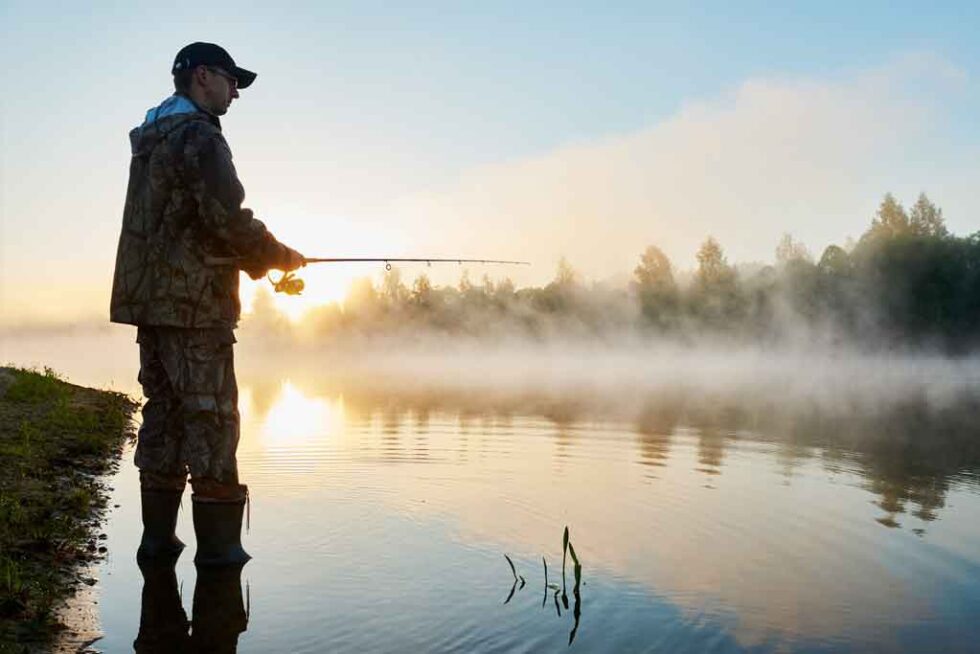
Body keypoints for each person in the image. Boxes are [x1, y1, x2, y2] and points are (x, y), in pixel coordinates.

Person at [110, 42, 304, 565]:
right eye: (230, 79)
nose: (236, 90)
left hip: (151, 302)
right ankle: (220, 557)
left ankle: (157, 543)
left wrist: (257, 262)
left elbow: (185, 224)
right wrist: (279, 255)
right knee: (213, 419)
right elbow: (226, 219)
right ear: (202, 77)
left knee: (165, 415)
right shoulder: (198, 136)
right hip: (195, 307)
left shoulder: (153, 138)